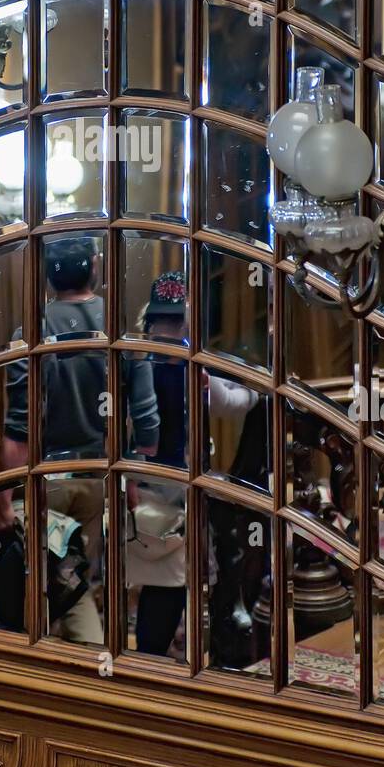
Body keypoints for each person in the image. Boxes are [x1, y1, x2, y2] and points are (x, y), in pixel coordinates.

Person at [0, 236, 160, 644]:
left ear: (48, 277)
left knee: (49, 586)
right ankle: (83, 669)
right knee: (76, 579)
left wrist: (1, 500)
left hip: (47, 481)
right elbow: (147, 419)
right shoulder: (119, 329)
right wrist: (133, 475)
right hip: (100, 476)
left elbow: (19, 428)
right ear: (96, 266)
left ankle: (49, 672)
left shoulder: (29, 332)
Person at [127, 271, 260, 657]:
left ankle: (160, 655)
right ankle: (176, 657)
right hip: (183, 489)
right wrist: (258, 389)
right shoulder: (193, 368)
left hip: (145, 490)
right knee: (180, 582)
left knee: (162, 584)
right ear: (185, 320)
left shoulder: (135, 363)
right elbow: (235, 404)